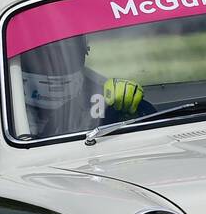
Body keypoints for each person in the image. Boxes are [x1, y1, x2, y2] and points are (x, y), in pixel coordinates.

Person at [18, 36, 150, 138]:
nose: (55, 65)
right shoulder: (1, 100)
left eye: (67, 54)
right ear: (22, 59)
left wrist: (130, 115)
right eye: (42, 56)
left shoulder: (104, 97)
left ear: (84, 52)